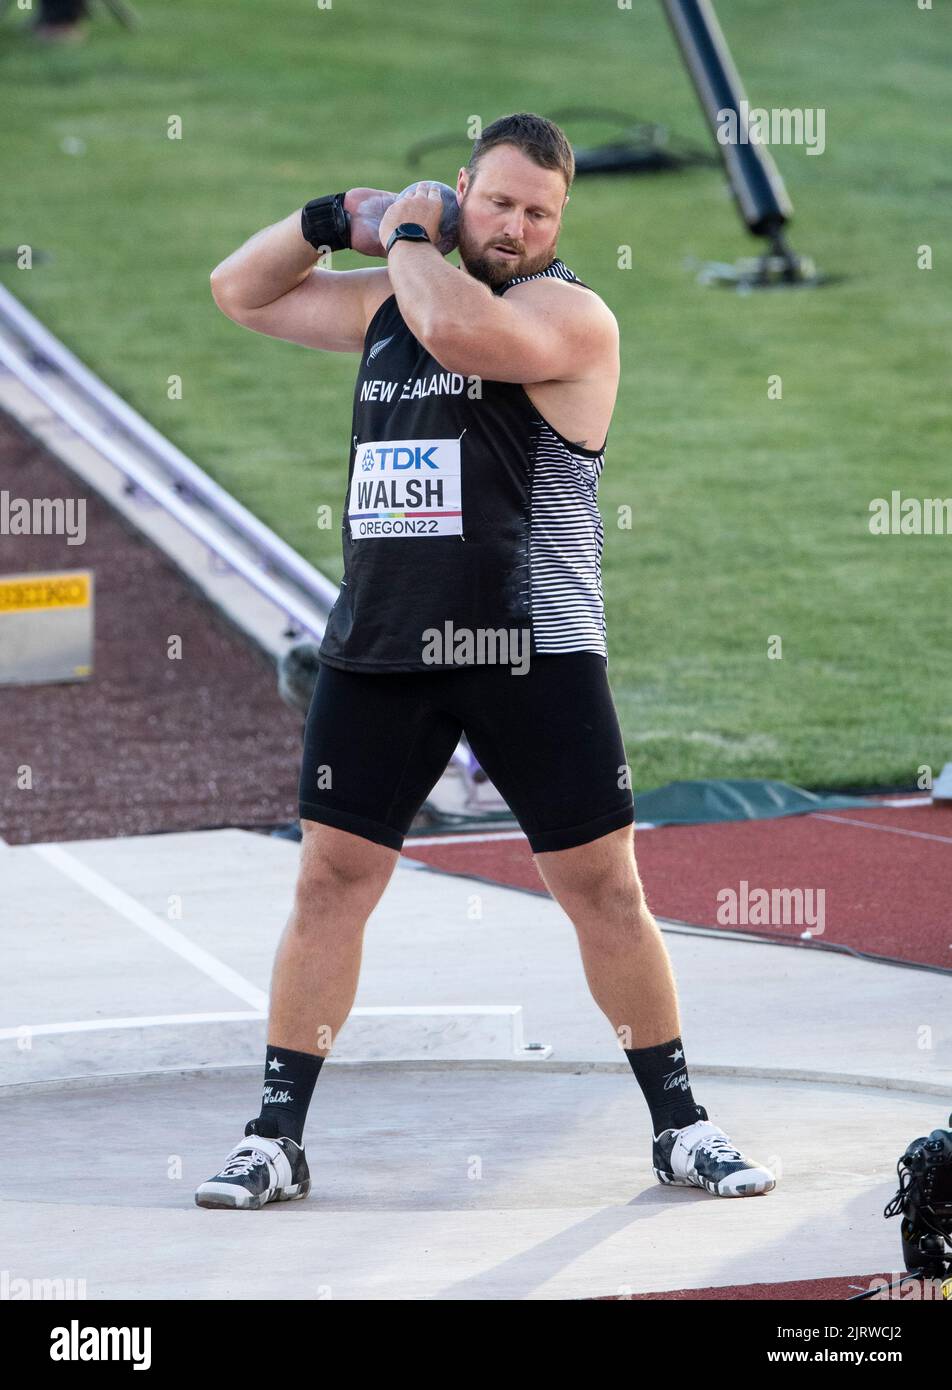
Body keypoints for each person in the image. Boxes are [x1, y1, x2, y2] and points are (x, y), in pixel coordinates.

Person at [195, 112, 776, 1210]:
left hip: (533, 648)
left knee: (603, 889)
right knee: (329, 881)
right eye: (499, 202)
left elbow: (459, 333)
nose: (516, 227)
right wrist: (333, 217)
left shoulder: (569, 314)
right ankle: (275, 1136)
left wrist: (409, 235)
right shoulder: (389, 301)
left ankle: (679, 1124)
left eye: (541, 212)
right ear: (467, 189)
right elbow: (241, 291)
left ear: (563, 223)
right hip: (380, 646)